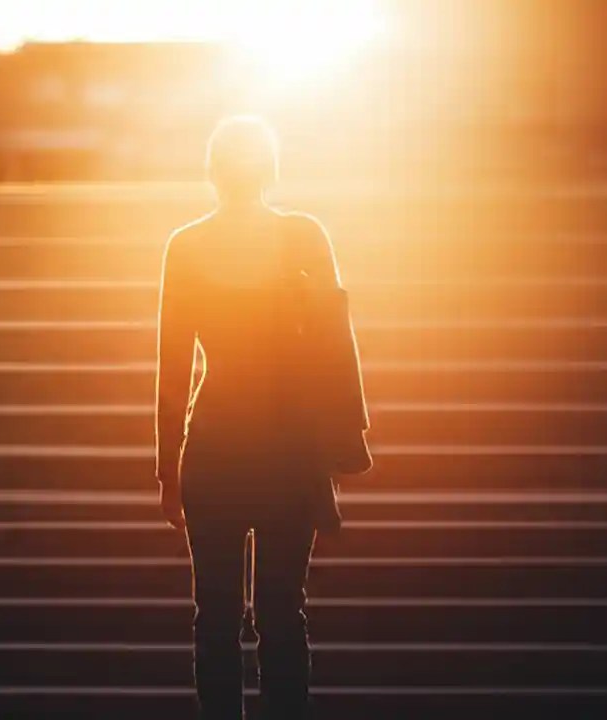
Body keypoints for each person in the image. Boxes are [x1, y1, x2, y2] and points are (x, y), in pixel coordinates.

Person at [154, 116, 370, 720]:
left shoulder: (187, 245)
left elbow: (173, 369)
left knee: (215, 614)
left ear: (212, 171)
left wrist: (166, 471)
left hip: (216, 442)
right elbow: (335, 344)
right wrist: (342, 441)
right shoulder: (305, 236)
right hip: (289, 446)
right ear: (270, 168)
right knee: (283, 610)